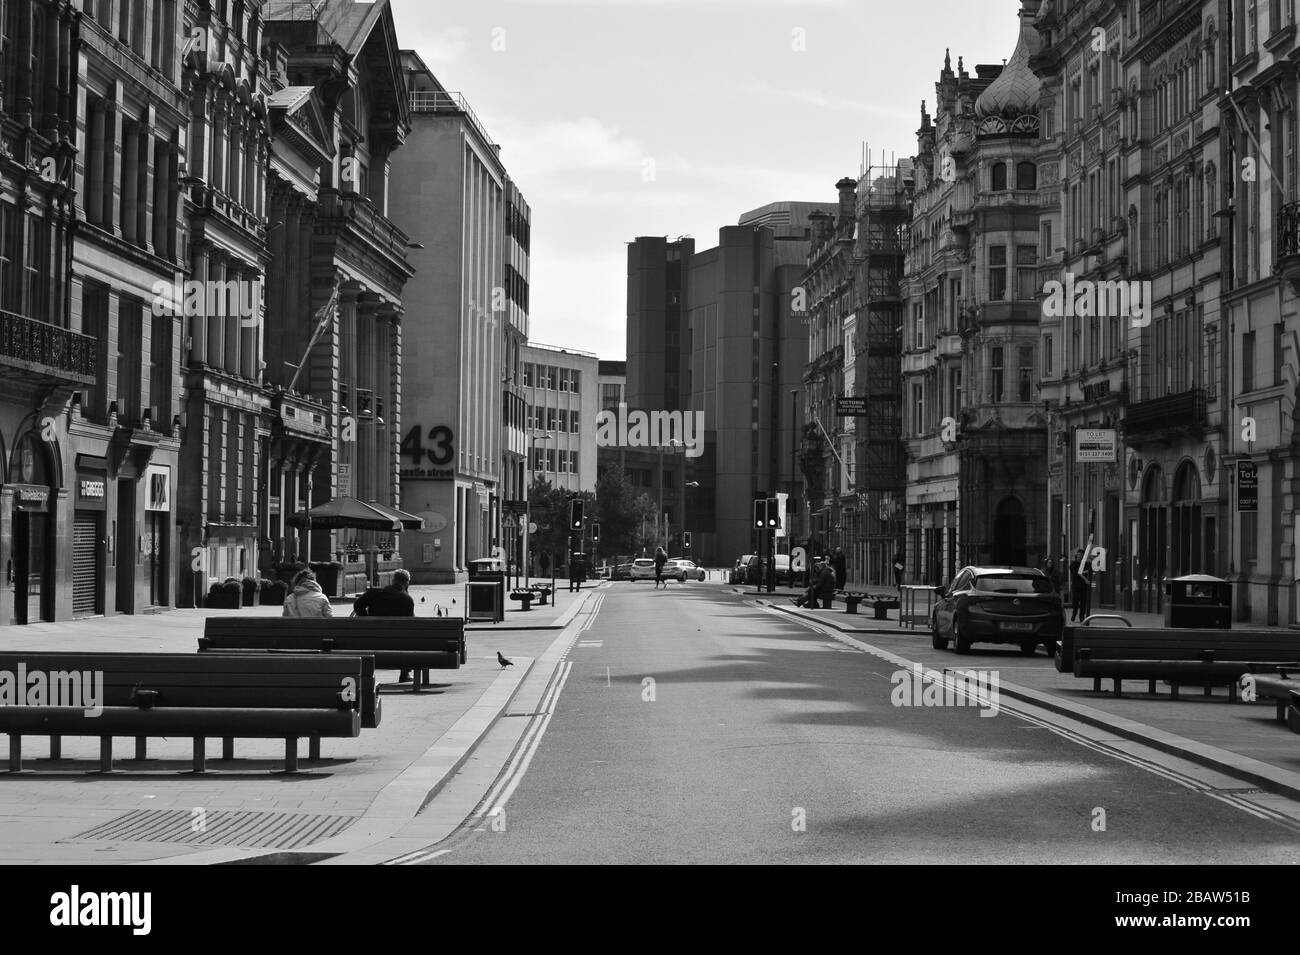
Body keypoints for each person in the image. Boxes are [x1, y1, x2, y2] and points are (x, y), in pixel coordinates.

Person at [354, 568, 415, 682]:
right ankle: (405, 673)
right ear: (407, 583)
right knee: (408, 639)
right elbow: (410, 623)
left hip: (373, 639)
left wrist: (366, 619)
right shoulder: (407, 599)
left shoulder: (375, 593)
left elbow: (358, 605)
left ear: (393, 580)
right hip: (397, 645)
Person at [1070, 548, 1093, 622]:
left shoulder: (1086, 564)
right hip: (1076, 586)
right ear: (1076, 555)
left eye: (1081, 555)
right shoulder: (1073, 564)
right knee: (1075, 600)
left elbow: (1090, 571)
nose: (1080, 556)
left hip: (1084, 586)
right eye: (1079, 554)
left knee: (1083, 602)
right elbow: (1077, 573)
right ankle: (1074, 613)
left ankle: (1082, 617)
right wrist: (1085, 578)